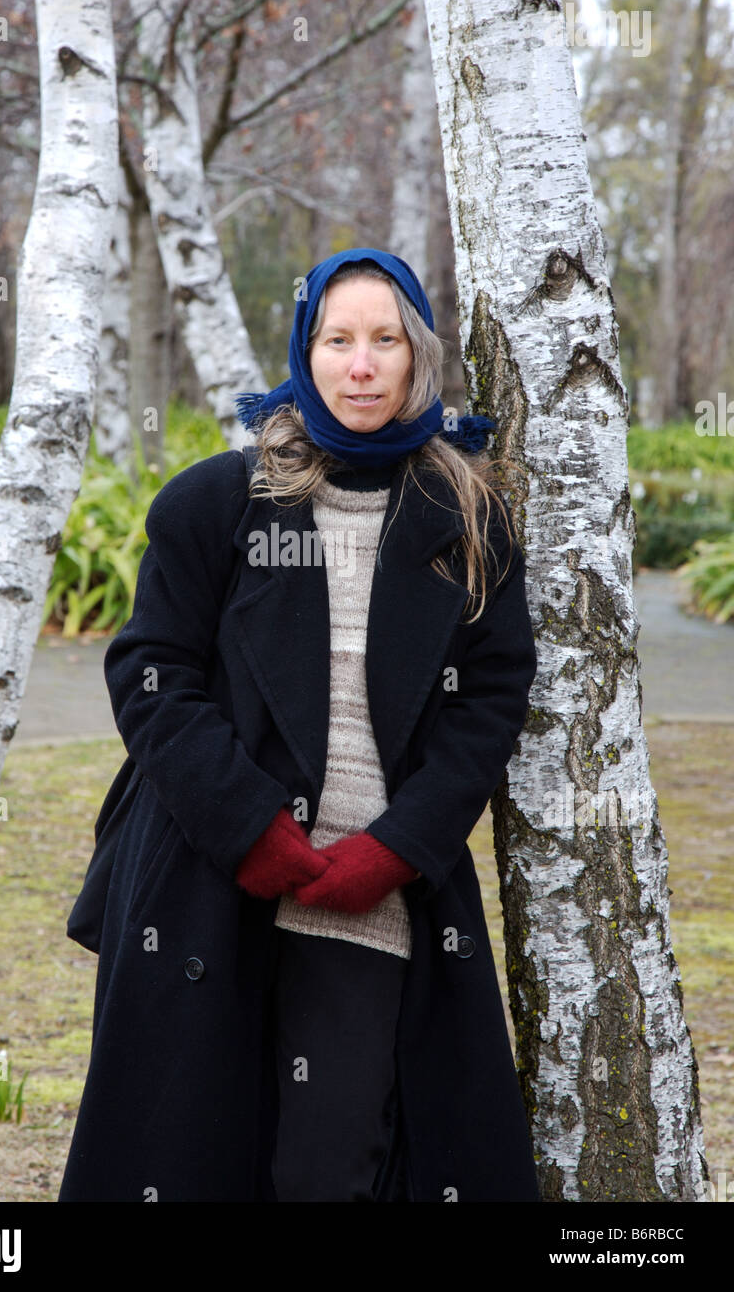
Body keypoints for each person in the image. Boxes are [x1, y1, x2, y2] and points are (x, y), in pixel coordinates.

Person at [58, 246, 540, 1203]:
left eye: (384, 342)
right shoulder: (219, 502)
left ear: (417, 360)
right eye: (337, 340)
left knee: (331, 1160)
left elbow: (491, 700)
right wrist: (250, 826)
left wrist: (396, 849)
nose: (360, 366)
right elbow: (151, 672)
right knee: (195, 1150)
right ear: (304, 350)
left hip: (372, 897)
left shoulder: (468, 515)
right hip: (211, 877)